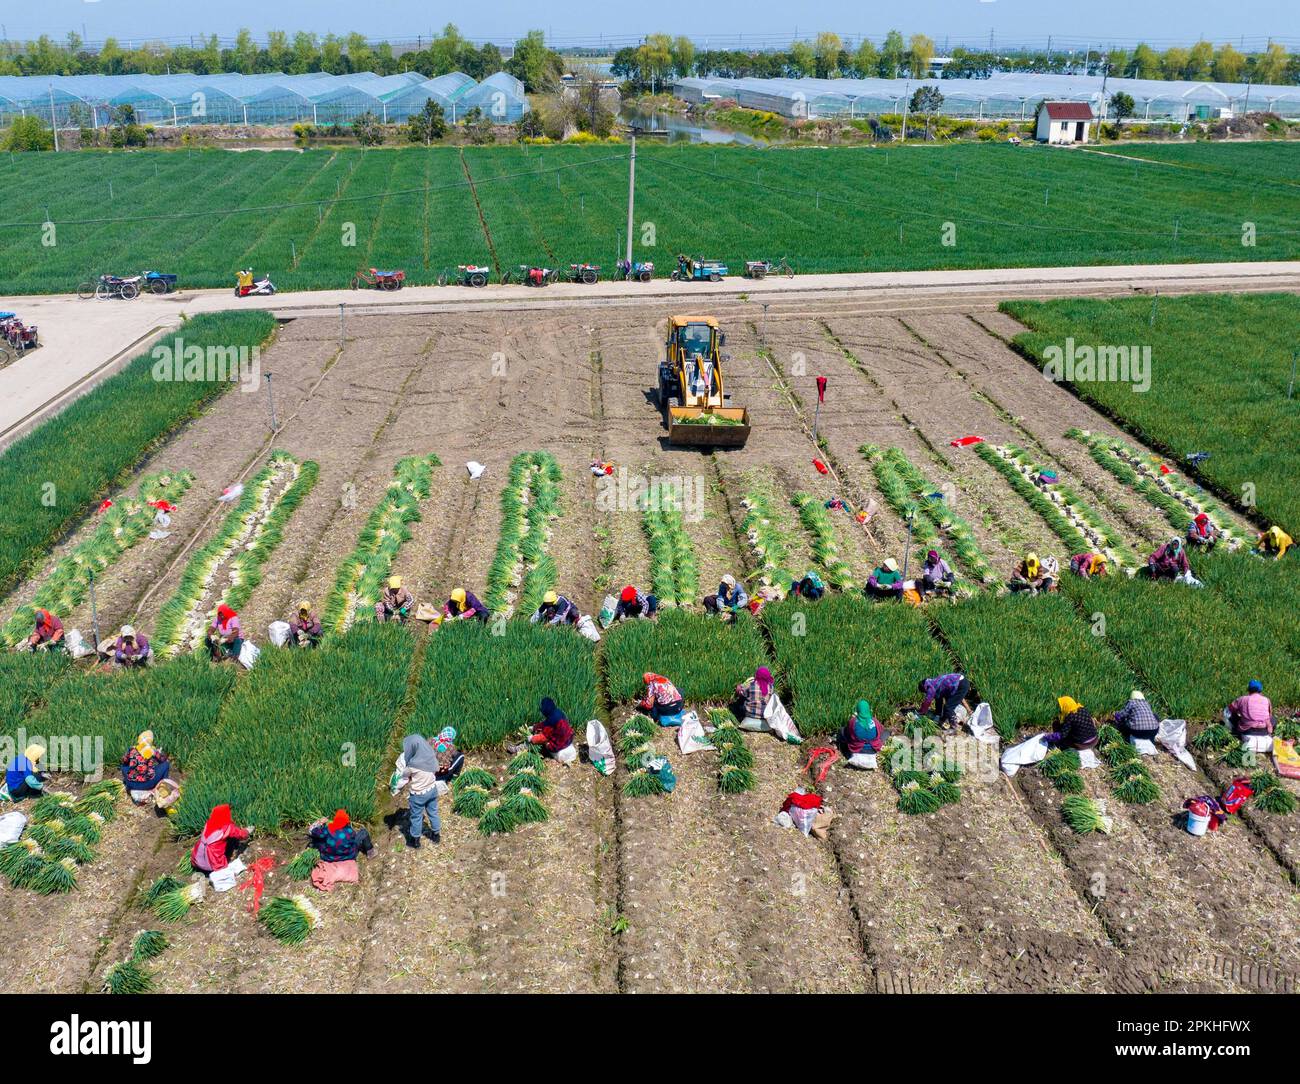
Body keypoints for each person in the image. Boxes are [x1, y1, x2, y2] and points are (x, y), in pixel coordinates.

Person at [392, 735, 441, 848]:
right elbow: (435, 769)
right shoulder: (430, 756)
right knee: (433, 812)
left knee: (416, 817)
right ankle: (436, 836)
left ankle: (415, 841)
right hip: (432, 789)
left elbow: (403, 778)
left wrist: (395, 788)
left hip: (418, 795)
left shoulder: (412, 766)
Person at [190, 804, 252, 875]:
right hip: (213, 863)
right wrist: (247, 831)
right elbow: (241, 835)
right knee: (232, 840)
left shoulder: (209, 823)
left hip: (197, 860)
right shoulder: (227, 827)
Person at [307, 809, 374, 864]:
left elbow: (311, 830)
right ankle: (371, 853)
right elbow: (353, 839)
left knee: (319, 840)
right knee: (363, 832)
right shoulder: (350, 831)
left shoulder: (327, 830)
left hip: (328, 858)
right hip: (349, 856)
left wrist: (320, 821)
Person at [838, 700, 887, 769]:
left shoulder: (853, 721)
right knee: (885, 733)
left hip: (858, 748)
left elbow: (847, 732)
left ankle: (844, 750)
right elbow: (881, 730)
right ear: (868, 709)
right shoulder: (875, 721)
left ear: (858, 710)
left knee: (842, 730)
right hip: (872, 749)